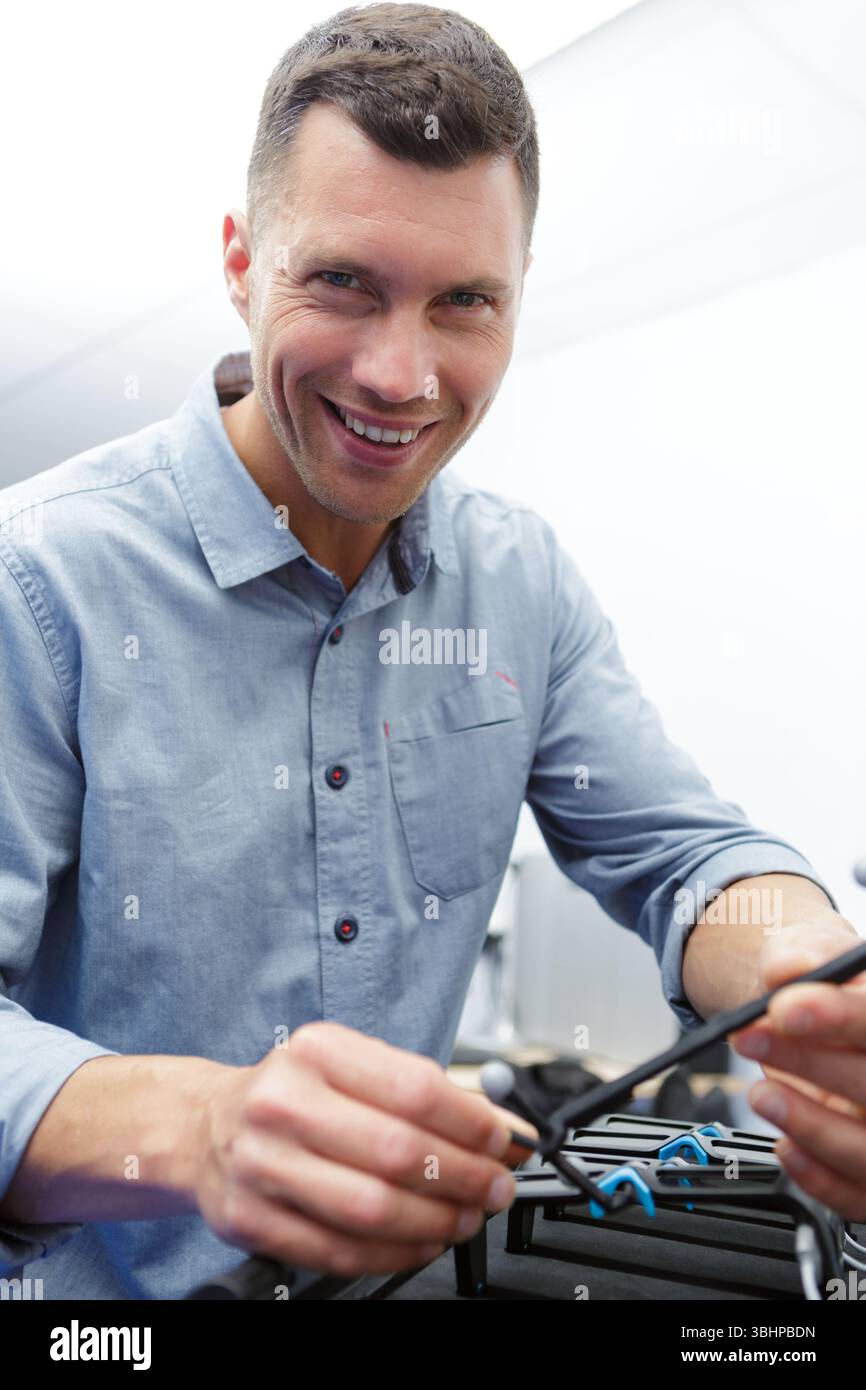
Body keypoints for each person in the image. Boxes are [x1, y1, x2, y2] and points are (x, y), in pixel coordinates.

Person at [0, 3, 861, 1301]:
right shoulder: (41, 579)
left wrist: (799, 976)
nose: (401, 375)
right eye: (342, 282)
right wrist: (202, 1130)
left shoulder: (519, 582)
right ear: (239, 261)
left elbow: (688, 858)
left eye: (464, 302)